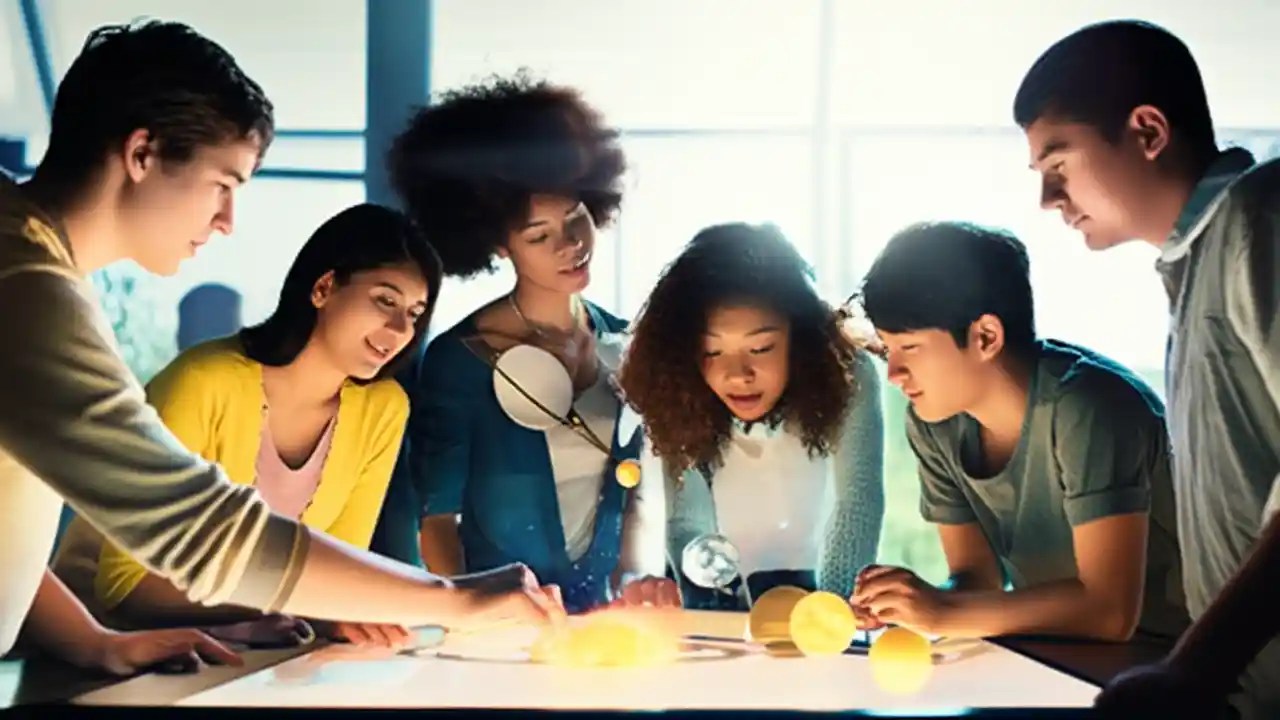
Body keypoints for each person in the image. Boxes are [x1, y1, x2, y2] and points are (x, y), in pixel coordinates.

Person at [0, 20, 560, 676]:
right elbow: (195, 527)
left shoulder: (35, 269)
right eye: (223, 184)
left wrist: (92, 641)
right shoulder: (23, 283)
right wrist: (452, 600)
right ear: (143, 154)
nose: (227, 222)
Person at [1014, 20, 1280, 720]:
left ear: (1148, 131)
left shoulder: (1261, 217)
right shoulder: (1194, 268)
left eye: (1059, 164)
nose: (1048, 200)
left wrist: (1192, 672)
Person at [51, 203, 442, 650]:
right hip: (98, 649)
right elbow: (124, 585)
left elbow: (337, 573)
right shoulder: (204, 381)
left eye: (415, 313)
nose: (399, 328)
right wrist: (283, 610)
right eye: (385, 301)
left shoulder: (383, 408)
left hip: (250, 655)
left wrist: (333, 613)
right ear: (323, 287)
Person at [371, 73, 676, 613]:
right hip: (502, 629)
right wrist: (468, 615)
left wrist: (632, 580)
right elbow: (436, 522)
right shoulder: (461, 360)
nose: (570, 245)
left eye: (574, 216)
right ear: (498, 245)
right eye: (539, 236)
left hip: (605, 625)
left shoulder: (626, 343)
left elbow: (631, 497)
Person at [850, 221, 1188, 644]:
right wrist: (913, 604)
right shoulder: (934, 423)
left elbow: (1110, 612)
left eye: (910, 349)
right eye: (887, 349)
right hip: (1053, 651)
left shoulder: (1089, 408)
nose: (895, 374)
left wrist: (944, 613)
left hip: (1175, 658)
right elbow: (979, 581)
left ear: (985, 336)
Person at [617, 222, 885, 607]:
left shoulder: (846, 372)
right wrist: (710, 608)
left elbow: (858, 500)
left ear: (800, 337)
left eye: (760, 349)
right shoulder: (681, 392)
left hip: (821, 591)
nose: (738, 375)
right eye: (712, 352)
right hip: (716, 587)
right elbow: (688, 522)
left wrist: (835, 607)